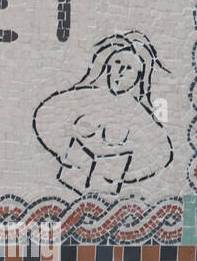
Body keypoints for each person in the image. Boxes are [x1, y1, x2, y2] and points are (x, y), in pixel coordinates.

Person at [32, 31, 173, 195]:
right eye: (117, 63)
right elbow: (50, 122)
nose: (121, 71)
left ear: (138, 77)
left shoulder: (139, 117)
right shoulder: (83, 98)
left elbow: (156, 153)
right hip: (73, 174)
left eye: (129, 68)